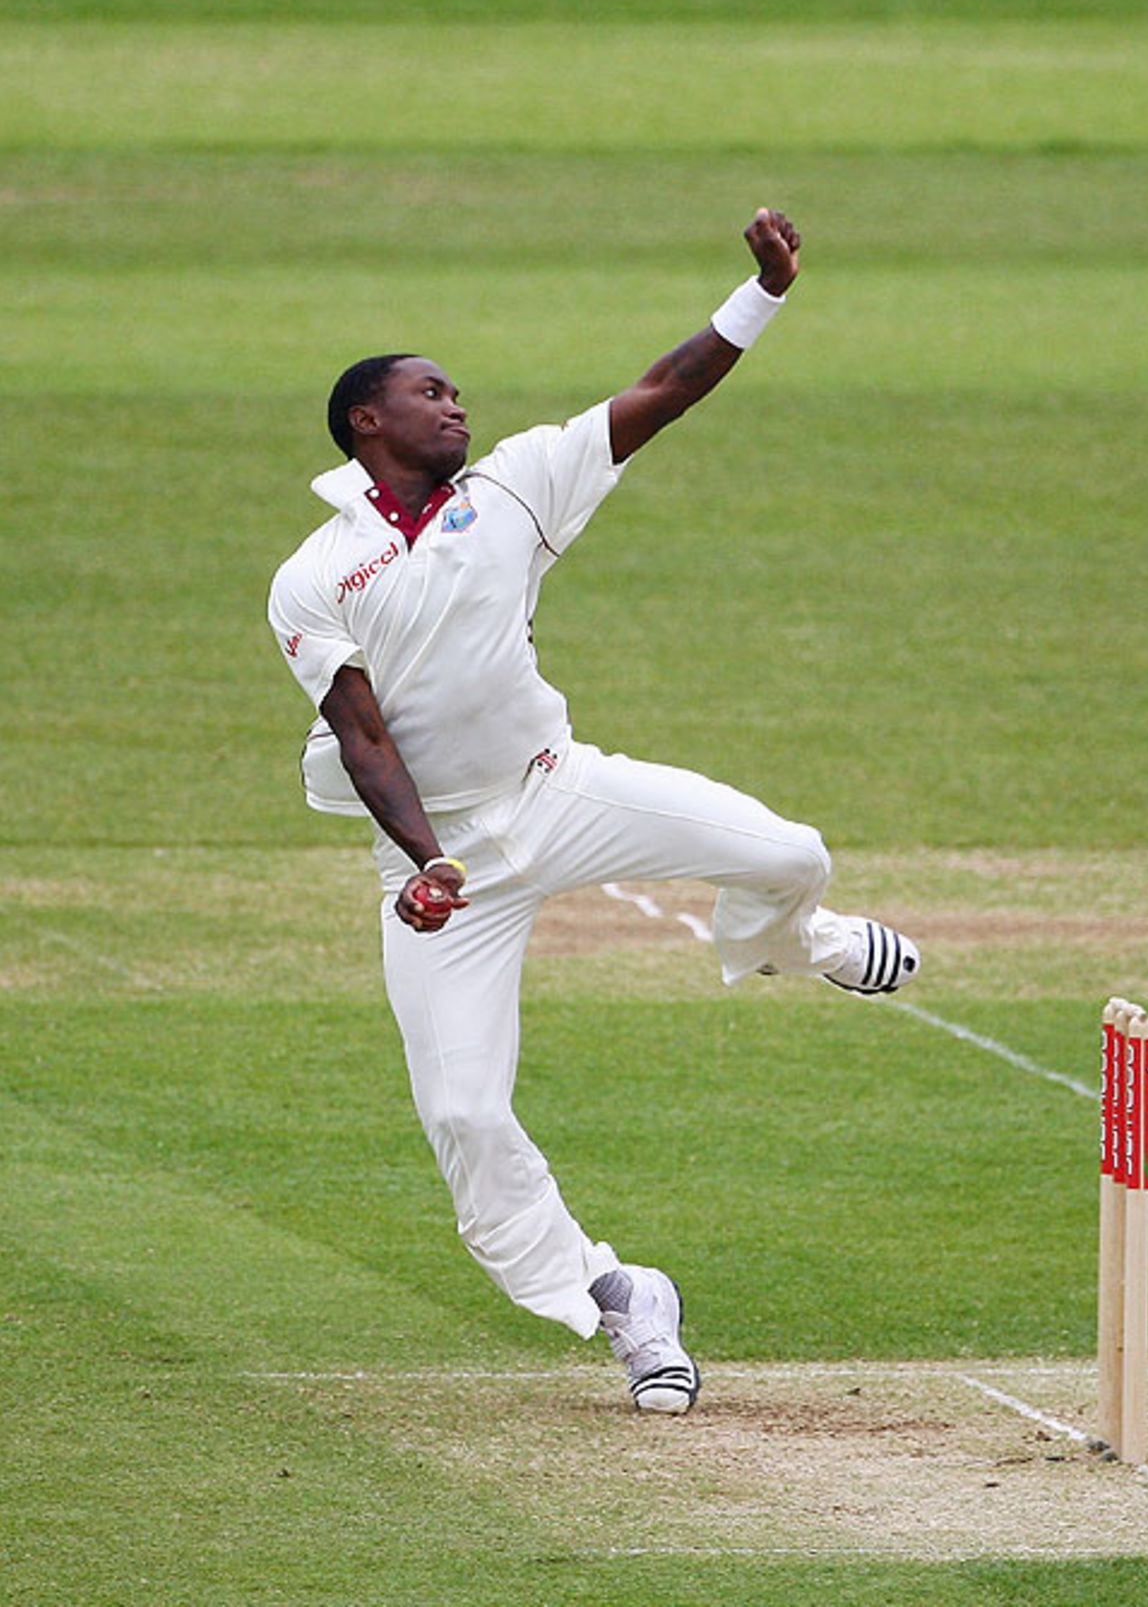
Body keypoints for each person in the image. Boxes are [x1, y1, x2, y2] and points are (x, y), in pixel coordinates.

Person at [267, 208, 920, 1415]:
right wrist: (428, 864)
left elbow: (664, 389)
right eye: (429, 392)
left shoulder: (517, 484)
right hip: (442, 864)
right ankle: (620, 1297)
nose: (456, 406)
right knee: (463, 1114)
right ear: (366, 420)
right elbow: (362, 737)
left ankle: (803, 943)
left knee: (792, 853)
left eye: (457, 392)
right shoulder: (314, 573)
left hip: (558, 788)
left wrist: (765, 291)